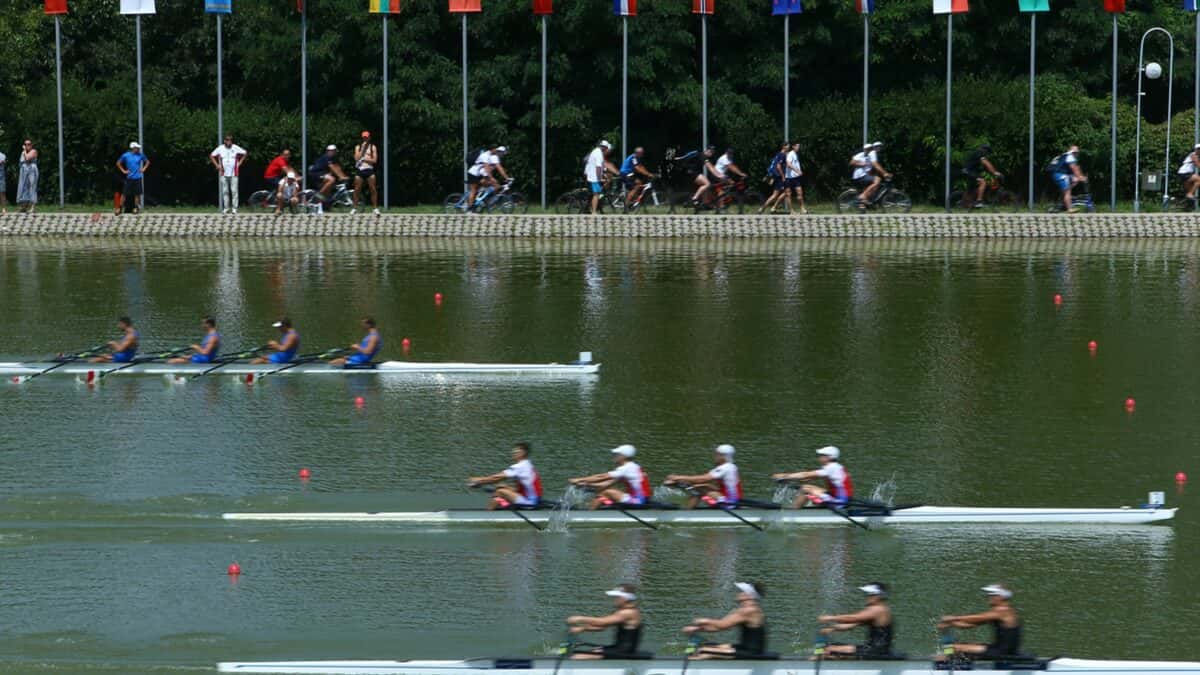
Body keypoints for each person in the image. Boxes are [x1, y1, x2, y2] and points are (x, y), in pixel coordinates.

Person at [681, 582, 768, 660]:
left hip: (751, 652)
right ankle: (693, 656)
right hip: (744, 647)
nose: (737, 593)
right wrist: (696, 629)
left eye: (740, 591)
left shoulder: (749, 610)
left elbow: (721, 625)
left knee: (703, 651)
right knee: (707, 646)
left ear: (748, 595)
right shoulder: (742, 610)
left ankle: (691, 661)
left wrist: (705, 620)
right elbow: (717, 627)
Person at [937, 584, 1022, 661]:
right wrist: (950, 624)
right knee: (955, 646)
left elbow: (978, 617)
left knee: (953, 648)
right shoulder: (997, 613)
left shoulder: (1004, 610)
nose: (988, 597)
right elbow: (969, 624)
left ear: (1001, 597)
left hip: (1002, 652)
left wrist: (954, 618)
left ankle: (945, 661)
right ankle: (948, 659)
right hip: (998, 649)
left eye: (992, 595)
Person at [565, 585, 644, 660]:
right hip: (620, 648)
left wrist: (580, 618)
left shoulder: (627, 613)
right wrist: (583, 628)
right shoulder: (622, 611)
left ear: (625, 598)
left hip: (624, 651)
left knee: (578, 657)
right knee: (595, 650)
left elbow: (601, 622)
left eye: (616, 597)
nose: (614, 599)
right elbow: (602, 627)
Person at [818, 583, 895, 659]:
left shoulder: (878, 609)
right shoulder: (877, 610)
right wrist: (832, 628)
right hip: (873, 649)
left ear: (879, 596)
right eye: (867, 594)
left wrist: (831, 618)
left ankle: (816, 658)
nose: (866, 597)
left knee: (827, 650)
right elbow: (851, 624)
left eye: (870, 594)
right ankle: (819, 657)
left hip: (875, 651)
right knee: (830, 646)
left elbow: (852, 618)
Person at [569, 444, 653, 509]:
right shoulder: (632, 467)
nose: (614, 456)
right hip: (640, 500)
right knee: (603, 491)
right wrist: (584, 485)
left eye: (617, 454)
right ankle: (592, 510)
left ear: (623, 456)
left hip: (639, 502)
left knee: (607, 492)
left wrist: (579, 479)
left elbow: (602, 477)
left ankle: (588, 514)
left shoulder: (627, 468)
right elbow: (605, 484)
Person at [771, 446, 854, 509]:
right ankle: (812, 506)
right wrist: (788, 480)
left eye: (821, 455)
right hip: (841, 499)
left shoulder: (831, 468)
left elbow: (806, 475)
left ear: (828, 457)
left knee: (806, 489)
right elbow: (808, 478)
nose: (819, 457)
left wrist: (785, 476)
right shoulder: (836, 467)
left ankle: (792, 512)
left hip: (839, 503)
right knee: (809, 487)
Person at [467, 442, 543, 510]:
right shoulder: (528, 464)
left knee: (500, 492)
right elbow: (520, 490)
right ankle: (498, 509)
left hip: (529, 503)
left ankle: (487, 514)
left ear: (523, 453)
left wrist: (479, 480)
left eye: (515, 452)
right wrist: (507, 487)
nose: (513, 453)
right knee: (502, 488)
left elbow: (496, 478)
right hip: (532, 500)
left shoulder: (520, 466)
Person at [664, 444, 742, 509]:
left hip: (729, 504)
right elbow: (704, 482)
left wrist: (678, 477)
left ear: (723, 456)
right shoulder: (728, 467)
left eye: (716, 454)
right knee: (701, 486)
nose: (714, 456)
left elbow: (703, 479)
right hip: (730, 500)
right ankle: (688, 510)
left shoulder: (726, 467)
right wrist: (679, 482)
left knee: (699, 488)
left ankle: (686, 513)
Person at [465, 144, 510, 212]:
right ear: (492, 149)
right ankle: (469, 210)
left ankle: (480, 202)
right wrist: (491, 178)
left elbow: (495, 168)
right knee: (474, 190)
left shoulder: (492, 156)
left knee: (491, 185)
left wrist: (505, 177)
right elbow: (486, 168)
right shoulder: (485, 155)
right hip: (473, 173)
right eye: (496, 149)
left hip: (480, 174)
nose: (496, 151)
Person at [210, 135, 248, 214]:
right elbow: (212, 155)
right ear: (224, 141)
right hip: (223, 173)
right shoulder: (220, 148)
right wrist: (217, 165)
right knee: (225, 191)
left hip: (234, 173)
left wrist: (240, 163)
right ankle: (226, 208)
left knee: (234, 191)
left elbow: (245, 153)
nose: (229, 141)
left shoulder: (235, 147)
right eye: (227, 140)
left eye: (230, 140)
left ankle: (234, 208)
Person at [308, 145, 349, 212]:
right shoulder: (327, 157)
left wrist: (343, 176)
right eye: (331, 151)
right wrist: (340, 176)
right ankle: (318, 195)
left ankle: (325, 205)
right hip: (316, 173)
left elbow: (337, 168)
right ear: (327, 151)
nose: (333, 152)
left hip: (323, 173)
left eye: (334, 151)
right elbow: (332, 167)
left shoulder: (334, 158)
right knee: (332, 179)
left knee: (329, 188)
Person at [851, 141, 890, 209]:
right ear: (873, 148)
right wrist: (885, 173)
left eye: (880, 146)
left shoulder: (870, 155)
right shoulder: (872, 153)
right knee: (877, 180)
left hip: (863, 175)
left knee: (875, 186)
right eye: (877, 146)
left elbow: (872, 168)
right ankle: (863, 196)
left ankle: (864, 204)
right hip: (860, 176)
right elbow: (876, 165)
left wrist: (877, 173)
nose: (879, 148)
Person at [1049, 145, 1086, 213]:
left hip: (1058, 173)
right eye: (1075, 152)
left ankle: (1062, 203)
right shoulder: (1070, 156)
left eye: (1077, 152)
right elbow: (1073, 168)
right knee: (1067, 191)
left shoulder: (1065, 155)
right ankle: (1069, 209)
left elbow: (1077, 168)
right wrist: (1080, 177)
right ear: (1072, 152)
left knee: (1075, 181)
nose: (1076, 154)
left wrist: (1079, 176)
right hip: (1060, 174)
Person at [116, 142, 150, 215]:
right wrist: (123, 171)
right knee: (124, 193)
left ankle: (135, 208)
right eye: (137, 148)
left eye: (138, 148)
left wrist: (143, 169)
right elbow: (118, 163)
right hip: (129, 178)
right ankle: (119, 208)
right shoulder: (126, 155)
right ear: (133, 148)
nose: (138, 149)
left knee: (137, 194)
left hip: (138, 177)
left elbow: (147, 162)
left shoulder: (140, 155)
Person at [351, 131, 380, 215]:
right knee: (357, 189)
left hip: (369, 169)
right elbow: (357, 158)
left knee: (373, 188)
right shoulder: (358, 147)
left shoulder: (372, 147)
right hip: (360, 169)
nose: (365, 139)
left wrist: (365, 159)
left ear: (369, 138)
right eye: (364, 137)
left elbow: (374, 160)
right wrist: (363, 149)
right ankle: (354, 208)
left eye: (366, 137)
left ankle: (375, 208)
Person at [759, 143, 790, 214]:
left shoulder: (778, 154)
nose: (788, 147)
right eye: (787, 146)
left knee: (785, 192)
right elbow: (778, 166)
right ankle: (766, 208)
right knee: (778, 194)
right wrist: (783, 177)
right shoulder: (782, 155)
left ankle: (767, 208)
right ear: (783, 147)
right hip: (779, 176)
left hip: (775, 176)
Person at [585, 140, 613, 215]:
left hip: (592, 175)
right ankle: (594, 212)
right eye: (606, 148)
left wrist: (603, 174)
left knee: (594, 193)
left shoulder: (597, 152)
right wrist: (599, 178)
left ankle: (588, 208)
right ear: (604, 147)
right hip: (594, 177)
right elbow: (598, 167)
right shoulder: (598, 154)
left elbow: (601, 167)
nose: (607, 150)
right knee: (596, 194)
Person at [785, 142, 808, 214]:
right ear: (793, 146)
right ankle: (791, 211)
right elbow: (788, 164)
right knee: (788, 194)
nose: (799, 148)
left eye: (799, 146)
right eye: (797, 146)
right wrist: (797, 171)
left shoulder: (795, 154)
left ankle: (802, 209)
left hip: (796, 177)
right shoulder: (790, 154)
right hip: (789, 178)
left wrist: (798, 172)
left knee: (800, 193)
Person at [17, 139, 38, 214]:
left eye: (29, 144)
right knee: (23, 188)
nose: (27, 146)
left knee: (32, 188)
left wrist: (24, 151)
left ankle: (33, 207)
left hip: (32, 170)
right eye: (25, 144)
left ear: (31, 145)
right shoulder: (23, 152)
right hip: (24, 171)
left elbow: (27, 158)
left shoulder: (33, 151)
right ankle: (24, 207)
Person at [0, 148, 7, 215]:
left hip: (1, 177)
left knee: (2, 192)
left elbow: (2, 162)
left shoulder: (2, 155)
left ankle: (4, 208)